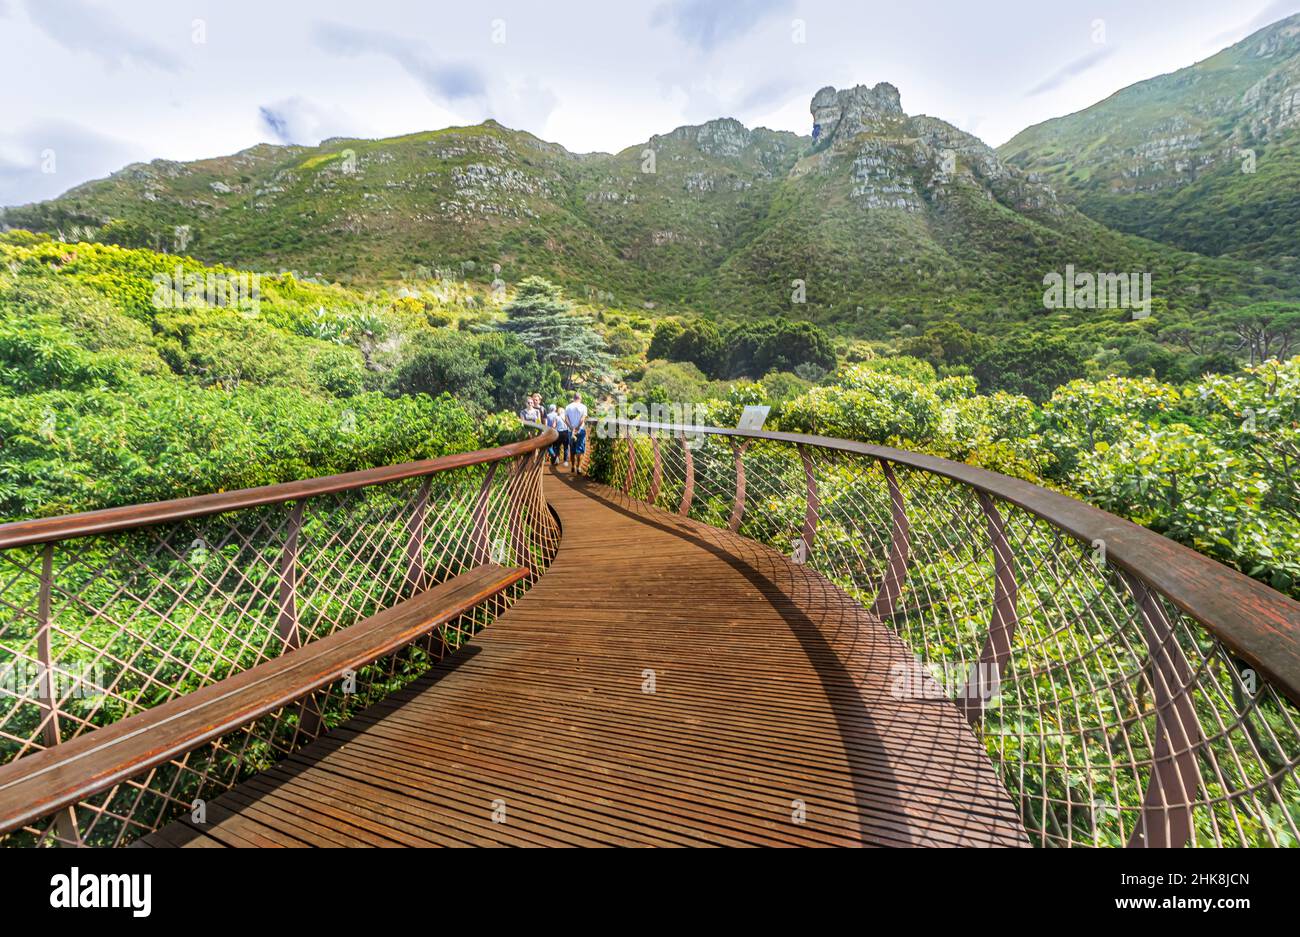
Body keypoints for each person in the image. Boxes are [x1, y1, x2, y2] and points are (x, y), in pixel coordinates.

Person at [564, 391, 588, 474]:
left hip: (571, 431)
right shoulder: (583, 407)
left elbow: (566, 419)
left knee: (572, 449)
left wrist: (571, 428)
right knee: (580, 449)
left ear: (573, 398)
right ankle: (579, 467)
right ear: (580, 398)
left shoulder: (567, 407)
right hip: (580, 430)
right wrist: (577, 428)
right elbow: (582, 419)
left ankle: (573, 466)